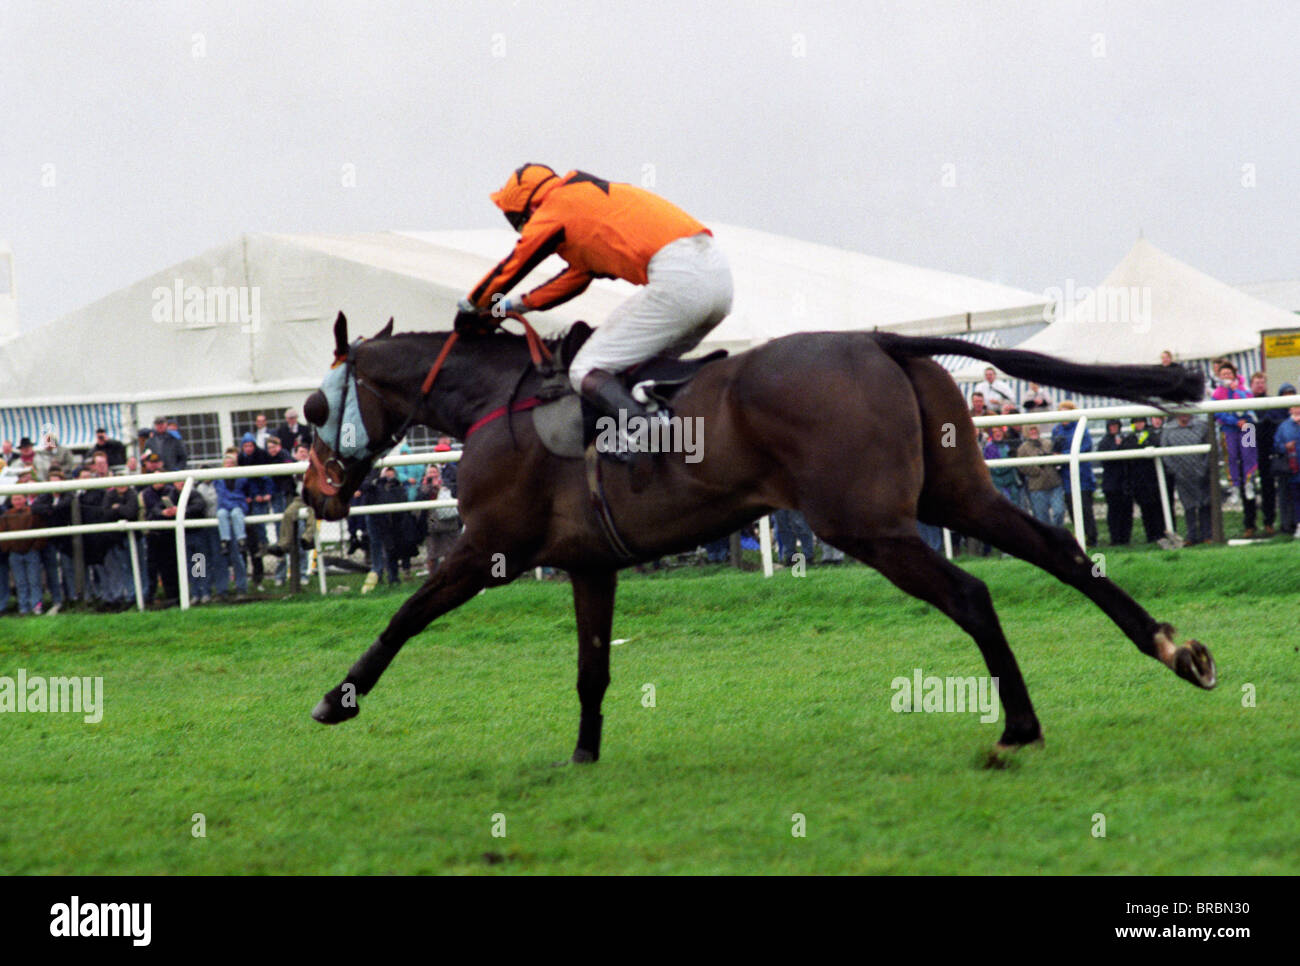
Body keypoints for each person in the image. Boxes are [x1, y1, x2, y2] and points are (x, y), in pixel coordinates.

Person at [454, 164, 732, 466]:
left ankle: (644, 429)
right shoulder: (583, 202)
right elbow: (572, 280)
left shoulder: (554, 208)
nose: (521, 229)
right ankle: (681, 434)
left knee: (585, 368)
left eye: (517, 220)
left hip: (681, 280)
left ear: (531, 206)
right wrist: (507, 307)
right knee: (637, 369)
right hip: (718, 280)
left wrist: (474, 304)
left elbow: (515, 263)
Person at [1211, 360, 1258, 537]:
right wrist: (1233, 421)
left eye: (1228, 374)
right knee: (1231, 457)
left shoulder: (1244, 389)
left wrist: (1236, 389)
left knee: (1249, 455)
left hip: (1248, 427)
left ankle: (1249, 483)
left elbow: (1250, 404)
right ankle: (1235, 487)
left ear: (1234, 374)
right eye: (1223, 375)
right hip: (1229, 429)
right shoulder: (1217, 393)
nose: (1226, 377)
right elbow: (1216, 412)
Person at [1050, 402, 1098, 545]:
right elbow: (1054, 449)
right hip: (1065, 477)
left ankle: (1092, 538)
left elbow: (1085, 447)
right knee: (1072, 509)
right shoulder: (1056, 430)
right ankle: (1081, 537)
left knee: (1085, 509)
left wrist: (1063, 456)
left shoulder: (1081, 427)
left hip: (1082, 475)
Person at [1161, 413, 1212, 544]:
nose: (1184, 416)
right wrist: (1176, 470)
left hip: (1201, 474)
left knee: (1204, 504)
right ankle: (1191, 536)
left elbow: (1211, 449)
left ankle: (1207, 535)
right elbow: (1165, 454)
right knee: (1188, 506)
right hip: (1181, 475)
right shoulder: (1168, 430)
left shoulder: (1202, 427)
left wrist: (1204, 468)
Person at [212, 449, 251, 596]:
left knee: (237, 557)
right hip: (209, 529)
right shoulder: (215, 481)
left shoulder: (240, 479)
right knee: (203, 559)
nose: (228, 466)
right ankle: (204, 591)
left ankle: (241, 588)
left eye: (230, 463)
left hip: (233, 519)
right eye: (226, 463)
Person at [0, 492, 46, 615]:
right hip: (14, 553)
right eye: (15, 499)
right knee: (20, 582)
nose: (17, 502)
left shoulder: (33, 514)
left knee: (34, 580)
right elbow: (3, 533)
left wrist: (35, 547)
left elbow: (40, 532)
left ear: (24, 499)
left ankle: (37, 606)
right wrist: (9, 548)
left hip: (31, 552)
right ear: (12, 501)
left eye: (19, 499)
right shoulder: (7, 515)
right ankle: (23, 608)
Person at [1126, 416, 1166, 544]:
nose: (1138, 424)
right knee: (1145, 509)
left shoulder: (1152, 435)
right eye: (1136, 422)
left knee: (1157, 508)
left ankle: (1161, 534)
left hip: (1153, 478)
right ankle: (1150, 536)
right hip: (1138, 480)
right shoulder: (1130, 437)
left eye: (1140, 422)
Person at [1250, 372, 1281, 536]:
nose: (1260, 385)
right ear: (1251, 384)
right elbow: (1245, 428)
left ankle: (1269, 522)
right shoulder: (1246, 404)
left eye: (1262, 382)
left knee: (1268, 487)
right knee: (1248, 487)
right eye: (1257, 382)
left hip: (1267, 452)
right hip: (1250, 451)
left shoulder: (1271, 403)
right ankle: (1250, 525)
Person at [1016, 425, 1065, 527]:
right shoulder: (1022, 449)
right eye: (1031, 430)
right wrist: (1037, 469)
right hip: (1037, 487)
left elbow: (1057, 460)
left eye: (1035, 430)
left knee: (1059, 512)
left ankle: (1057, 533)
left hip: (1054, 484)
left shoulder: (1048, 443)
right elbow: (1022, 467)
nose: (1033, 432)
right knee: (1042, 519)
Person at [1270, 384, 1299, 535]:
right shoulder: (1284, 426)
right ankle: (1294, 525)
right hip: (1293, 469)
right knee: (1293, 498)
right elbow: (1276, 445)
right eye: (1294, 407)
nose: (1297, 410)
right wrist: (1285, 447)